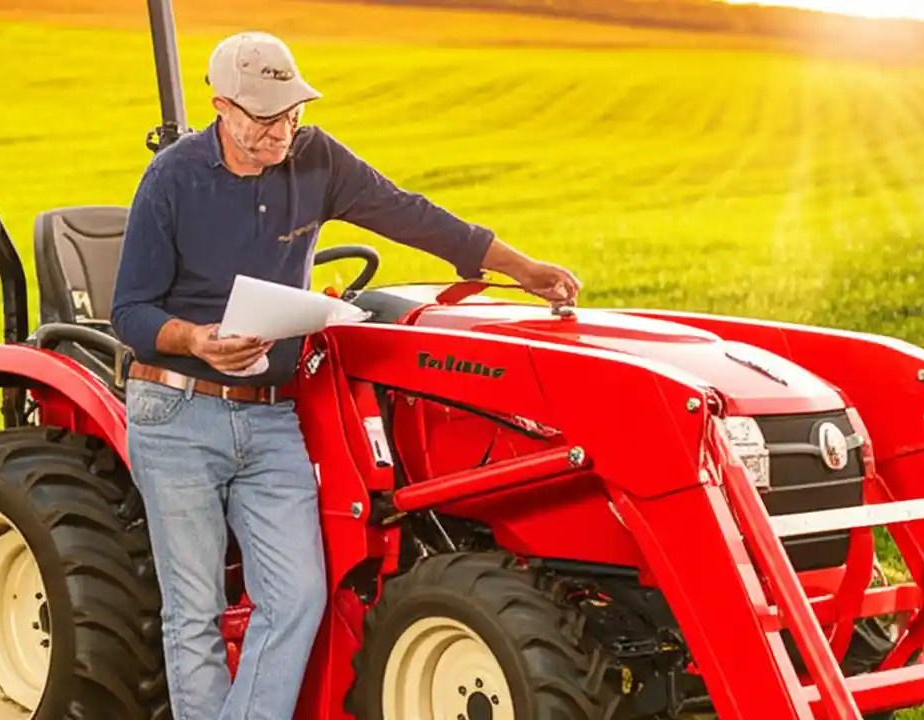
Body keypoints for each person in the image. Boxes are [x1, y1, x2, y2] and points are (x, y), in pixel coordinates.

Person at [110, 30, 581, 720]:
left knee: (298, 597)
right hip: (178, 413)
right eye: (266, 118)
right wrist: (197, 340)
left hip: (271, 414)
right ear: (222, 108)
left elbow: (410, 213)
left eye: (291, 113)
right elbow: (130, 311)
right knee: (195, 614)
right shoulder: (172, 180)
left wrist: (520, 268)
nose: (282, 130)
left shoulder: (317, 158)